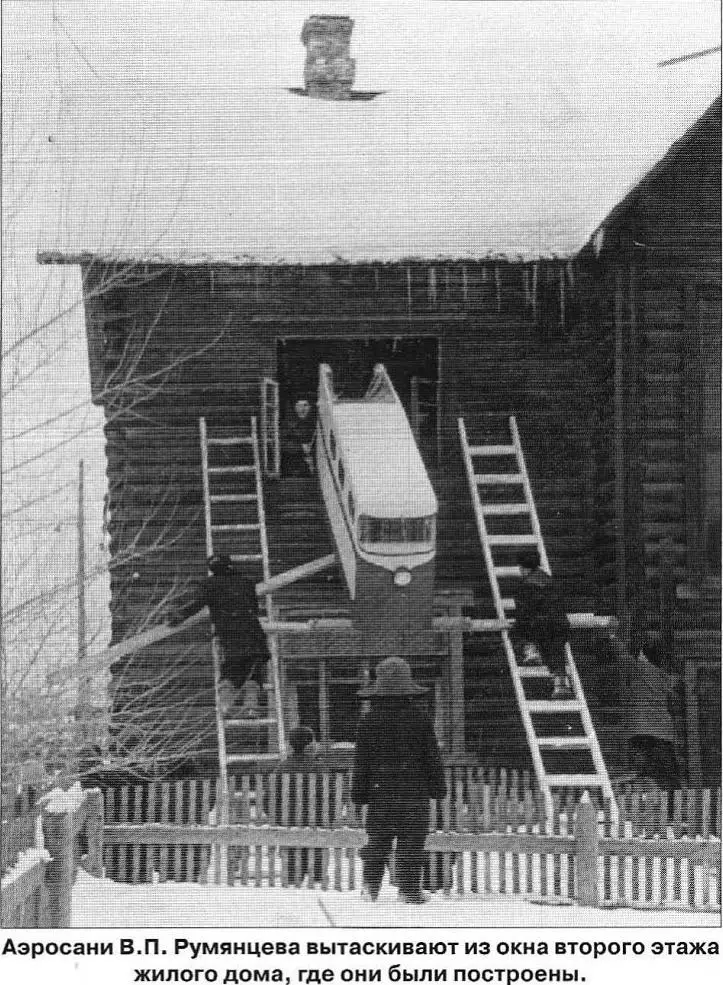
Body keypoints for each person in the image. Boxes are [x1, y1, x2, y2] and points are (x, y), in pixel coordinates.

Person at [351, 657, 447, 904]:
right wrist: (438, 787)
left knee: (378, 840)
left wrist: (359, 794)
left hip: (379, 791)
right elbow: (432, 757)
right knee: (412, 841)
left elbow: (361, 761)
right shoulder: (421, 719)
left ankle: (370, 888)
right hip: (414, 791)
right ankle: (409, 890)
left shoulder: (368, 722)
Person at [169, 554, 270, 716]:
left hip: (230, 635)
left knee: (229, 671)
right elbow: (254, 607)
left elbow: (196, 603)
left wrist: (178, 616)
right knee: (253, 671)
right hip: (253, 634)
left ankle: (225, 706)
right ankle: (251, 706)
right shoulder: (246, 583)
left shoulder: (210, 584)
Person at [611, 632, 681, 791]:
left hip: (641, 732)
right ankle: (672, 809)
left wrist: (613, 635)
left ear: (643, 654)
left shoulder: (638, 668)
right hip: (664, 734)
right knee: (666, 776)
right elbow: (675, 690)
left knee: (642, 773)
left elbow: (620, 654)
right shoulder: (664, 676)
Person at [510, 547, 573, 700]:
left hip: (540, 625)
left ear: (522, 568)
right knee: (556, 651)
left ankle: (531, 651)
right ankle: (560, 686)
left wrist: (521, 627)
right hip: (559, 625)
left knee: (517, 630)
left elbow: (524, 612)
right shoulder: (551, 582)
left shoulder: (525, 585)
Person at [270, 726, 327, 886]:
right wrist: (325, 818)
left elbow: (271, 798)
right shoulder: (318, 768)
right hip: (316, 825)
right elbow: (329, 795)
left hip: (289, 826)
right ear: (309, 744)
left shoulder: (281, 767)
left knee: (292, 875)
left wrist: (281, 818)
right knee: (317, 875)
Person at [281, 396, 316, 476]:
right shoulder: (287, 425)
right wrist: (300, 447)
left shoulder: (315, 424)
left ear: (310, 407)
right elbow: (280, 443)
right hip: (293, 469)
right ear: (294, 408)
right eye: (299, 406)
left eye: (305, 405)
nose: (302, 409)